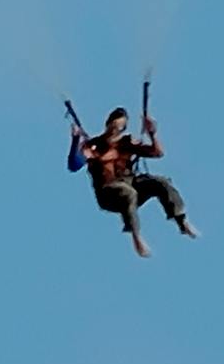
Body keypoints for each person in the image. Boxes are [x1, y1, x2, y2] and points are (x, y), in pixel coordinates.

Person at [63, 88, 195, 251]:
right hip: (109, 192)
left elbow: (157, 153)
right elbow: (74, 165)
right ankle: (136, 237)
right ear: (108, 124)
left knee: (160, 182)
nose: (114, 130)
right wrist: (75, 140)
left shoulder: (127, 143)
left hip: (131, 183)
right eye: (113, 125)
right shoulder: (93, 146)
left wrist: (153, 134)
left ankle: (181, 221)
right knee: (128, 193)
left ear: (123, 128)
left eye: (118, 127)